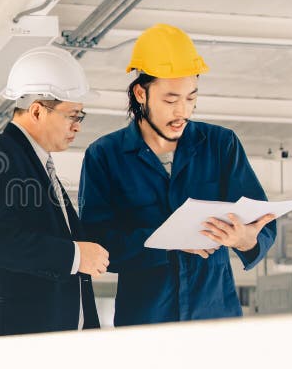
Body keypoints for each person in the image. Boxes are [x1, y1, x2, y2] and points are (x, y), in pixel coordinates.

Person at [78, 23, 276, 327]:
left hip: (215, 320)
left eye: (191, 98)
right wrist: (166, 241)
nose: (182, 111)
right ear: (140, 93)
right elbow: (97, 248)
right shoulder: (105, 156)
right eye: (171, 100)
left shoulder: (221, 145)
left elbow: (262, 226)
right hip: (146, 323)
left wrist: (247, 240)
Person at [0, 46, 110, 338]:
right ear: (38, 111)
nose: (78, 127)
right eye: (73, 115)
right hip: (17, 345)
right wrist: (74, 255)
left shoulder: (39, 165)